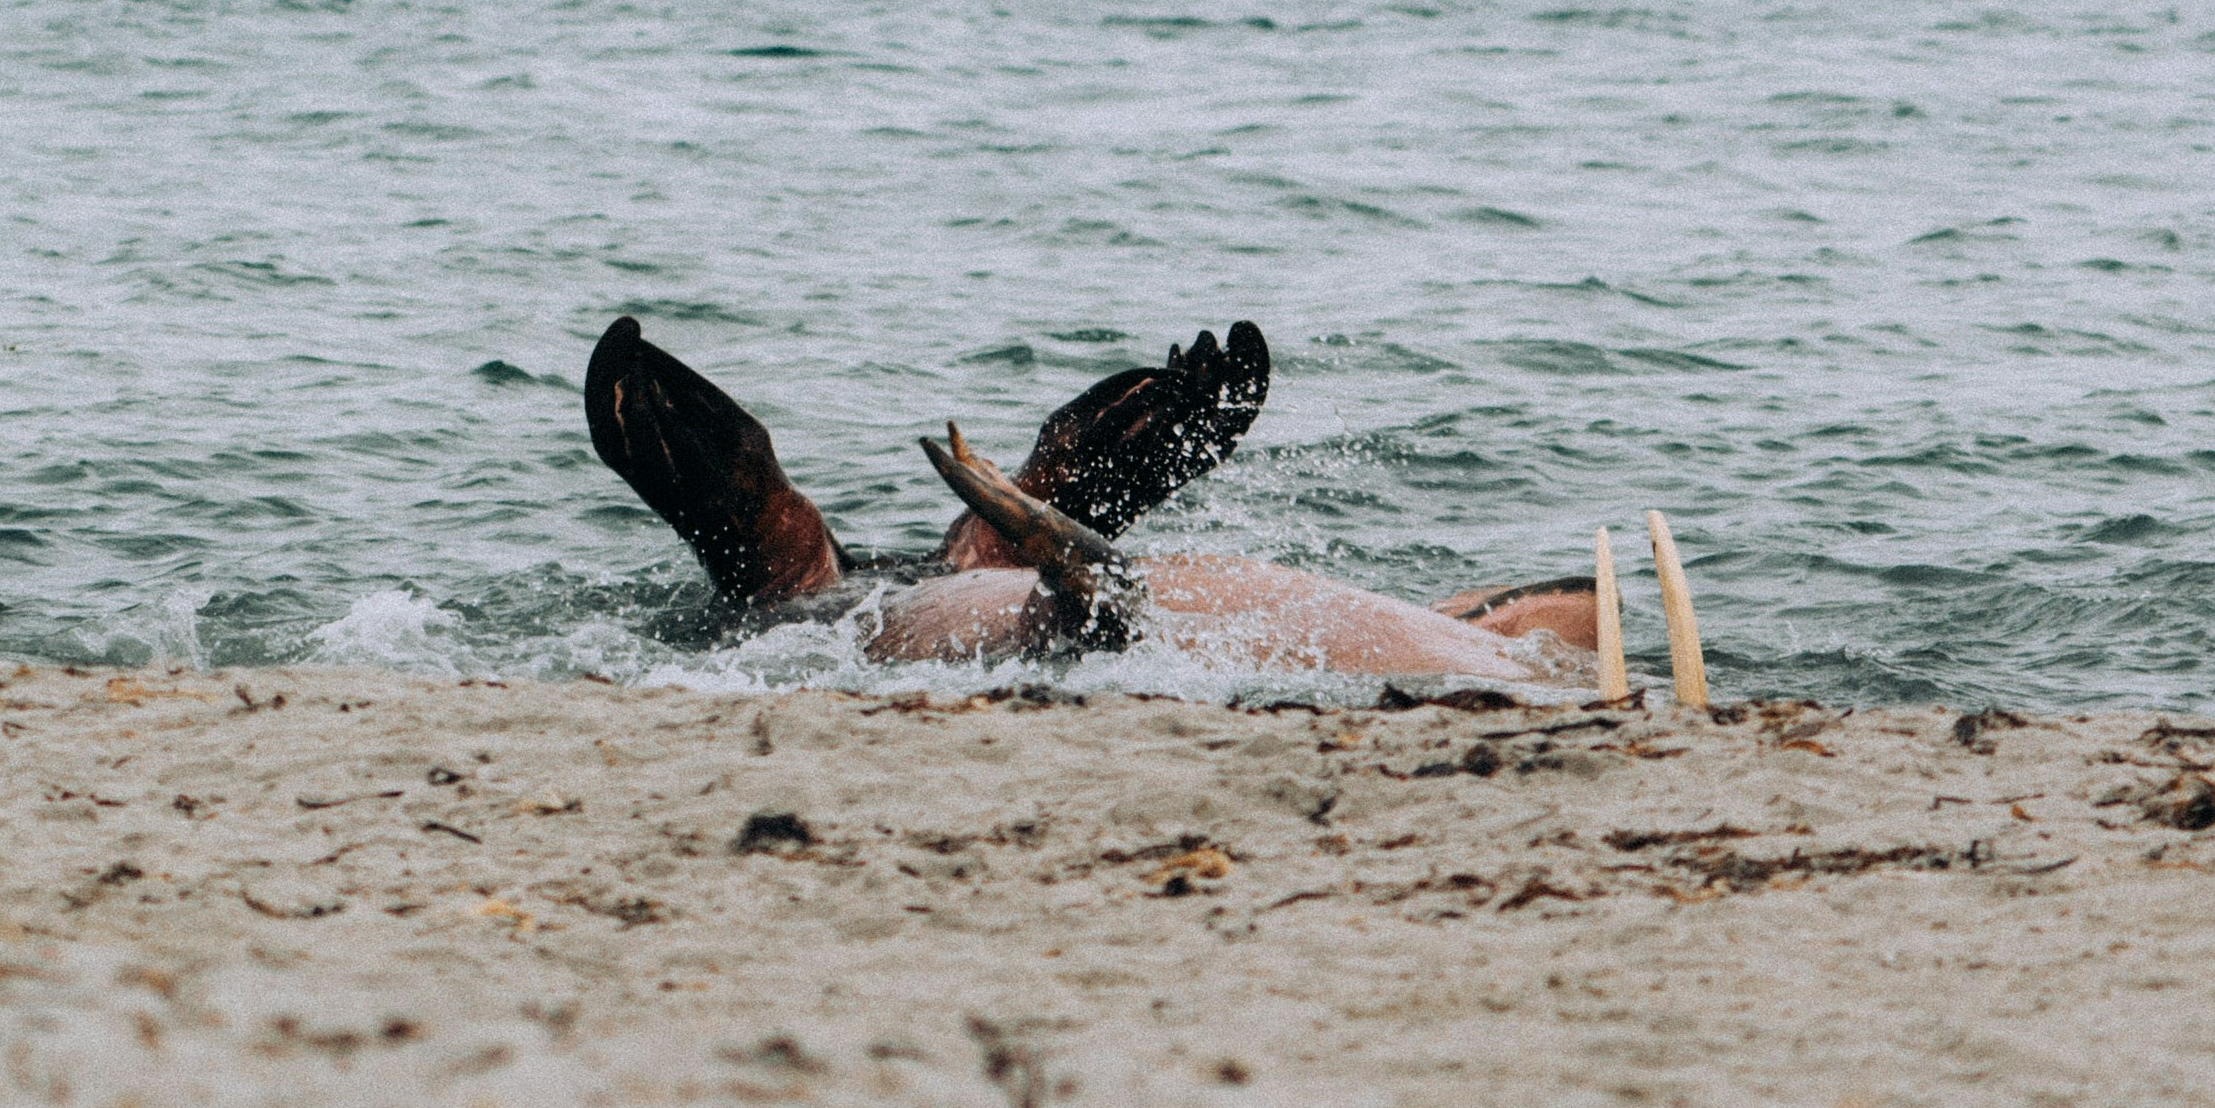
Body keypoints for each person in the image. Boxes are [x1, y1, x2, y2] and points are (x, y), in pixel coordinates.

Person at [584, 316, 1603, 684]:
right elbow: (1108, 615)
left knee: (954, 566)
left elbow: (1101, 619)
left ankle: (1019, 520)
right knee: (810, 567)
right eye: (1512, 608)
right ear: (1478, 596)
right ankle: (1016, 519)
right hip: (889, 619)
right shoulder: (1434, 635)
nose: (1539, 618)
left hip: (944, 620)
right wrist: (1057, 549)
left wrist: (1053, 546)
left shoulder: (1421, 641)